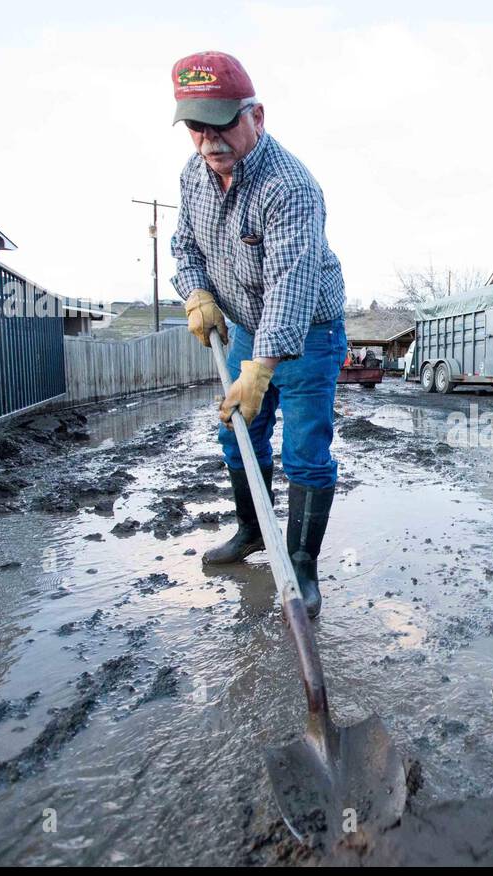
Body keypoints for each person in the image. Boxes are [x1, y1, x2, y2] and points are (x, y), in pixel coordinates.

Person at [169, 50, 347, 618]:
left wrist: (262, 368)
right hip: (245, 325)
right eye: (197, 126)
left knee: (305, 451)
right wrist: (195, 293)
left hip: (310, 332)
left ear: (257, 116)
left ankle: (300, 565)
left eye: (223, 123)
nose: (209, 139)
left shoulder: (290, 187)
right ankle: (251, 531)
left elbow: (291, 288)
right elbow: (184, 246)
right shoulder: (193, 175)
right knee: (238, 433)